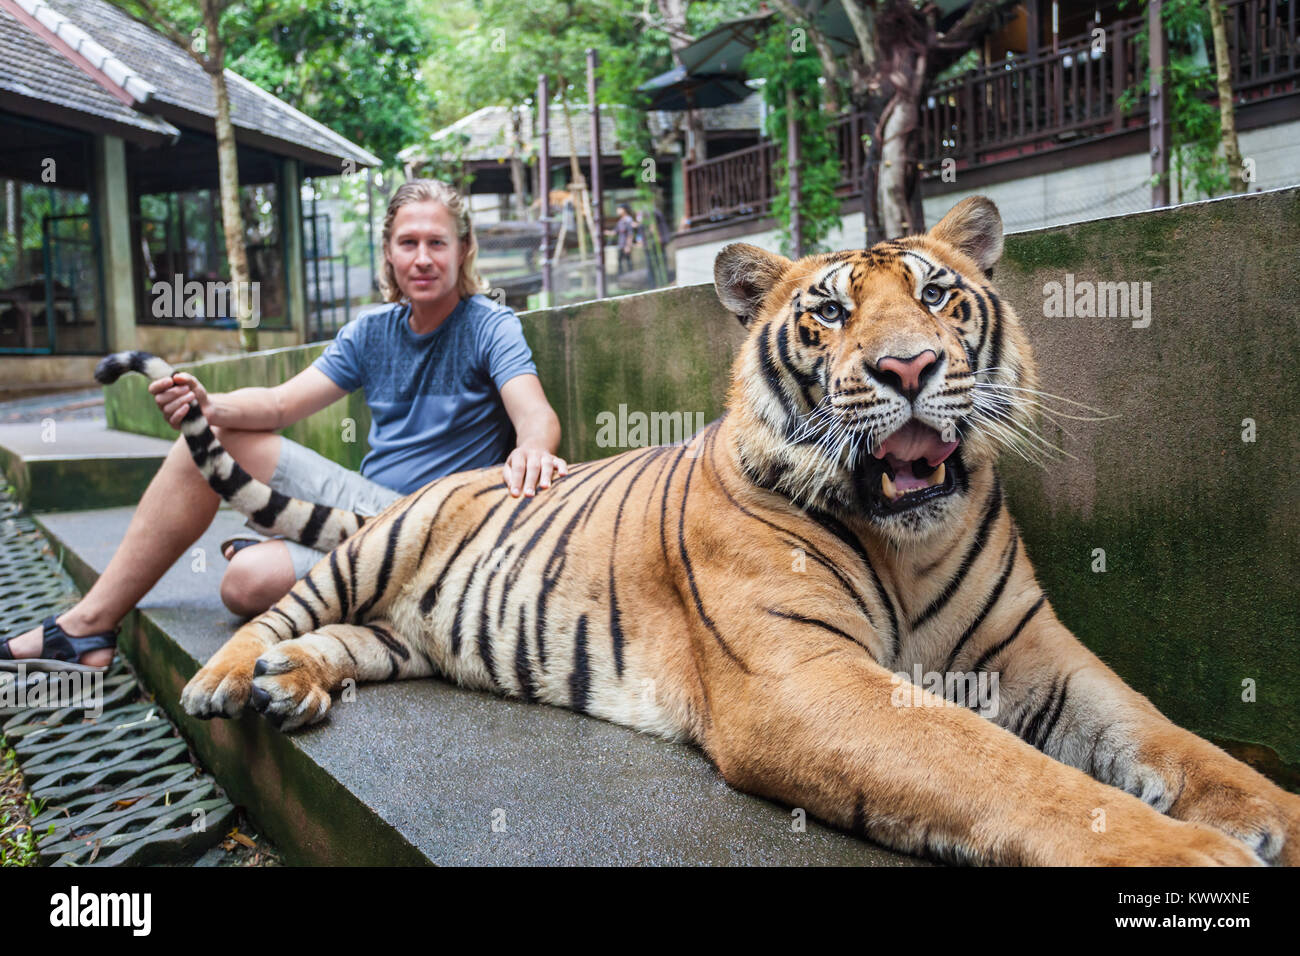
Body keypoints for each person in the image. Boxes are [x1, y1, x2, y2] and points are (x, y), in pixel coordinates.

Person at [0, 179, 566, 671]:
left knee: (243, 585)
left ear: (463, 249)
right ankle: (88, 625)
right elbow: (276, 405)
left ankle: (299, 534)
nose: (423, 258)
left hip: (435, 531)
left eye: (437, 243)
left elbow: (534, 413)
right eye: (408, 242)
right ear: (389, 253)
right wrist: (207, 406)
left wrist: (534, 448)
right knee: (213, 438)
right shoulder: (371, 333)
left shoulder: (489, 324)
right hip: (366, 508)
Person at [614, 204, 636, 275]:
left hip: (626, 245)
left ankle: (631, 277)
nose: (617, 210)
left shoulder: (628, 220)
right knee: (620, 261)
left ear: (624, 210)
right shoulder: (620, 221)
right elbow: (615, 231)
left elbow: (630, 234)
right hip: (621, 244)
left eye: (619, 209)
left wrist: (628, 246)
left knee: (628, 262)